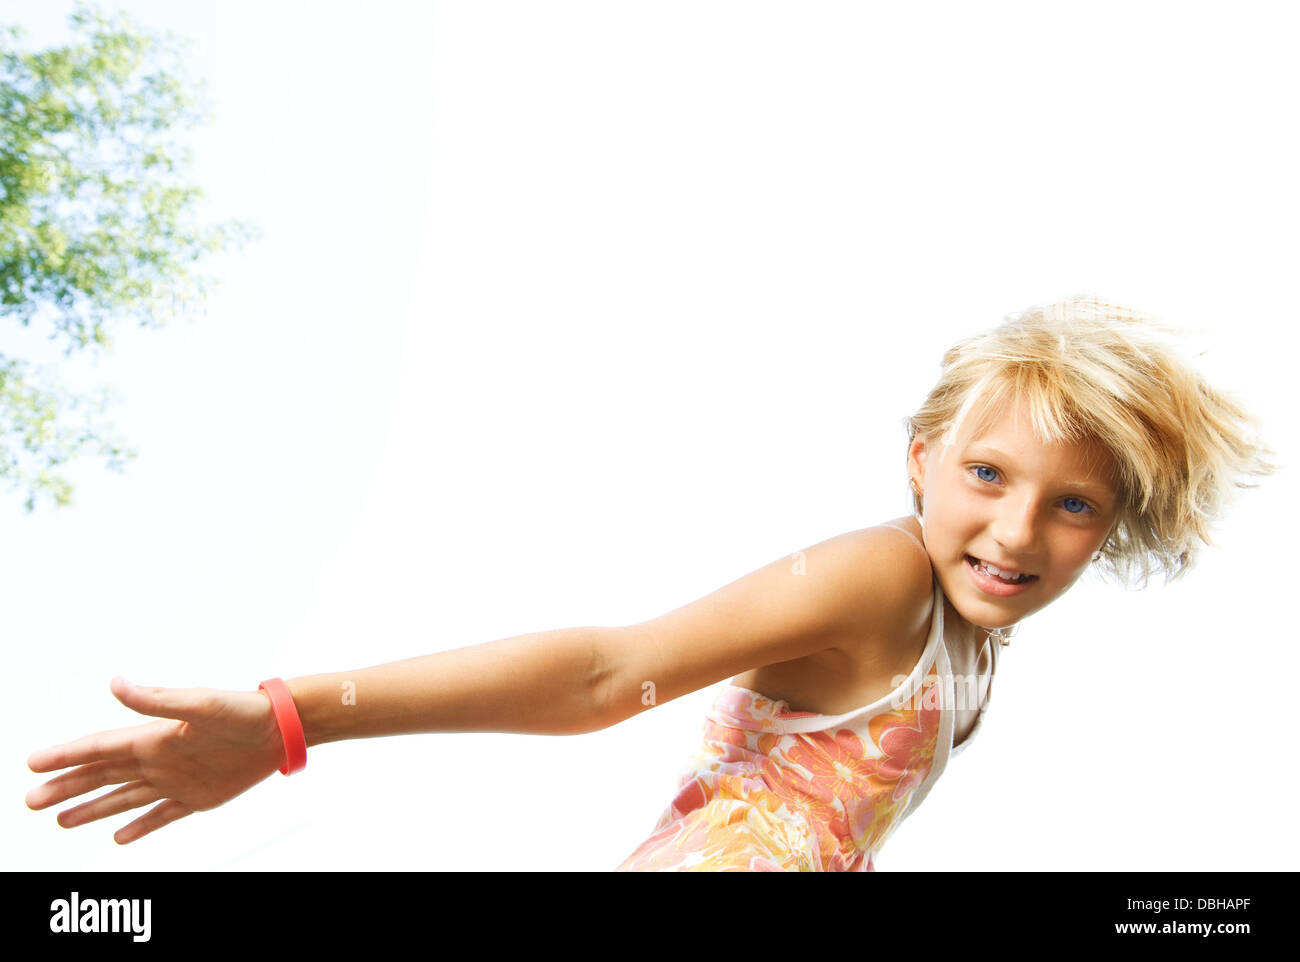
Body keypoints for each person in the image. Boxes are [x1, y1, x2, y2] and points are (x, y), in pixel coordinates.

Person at [25, 296, 1274, 870]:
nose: (1014, 528)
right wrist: (292, 717)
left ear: (1115, 525)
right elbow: (606, 671)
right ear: (919, 460)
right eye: (988, 473)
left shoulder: (968, 650)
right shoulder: (882, 575)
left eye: (1070, 504)